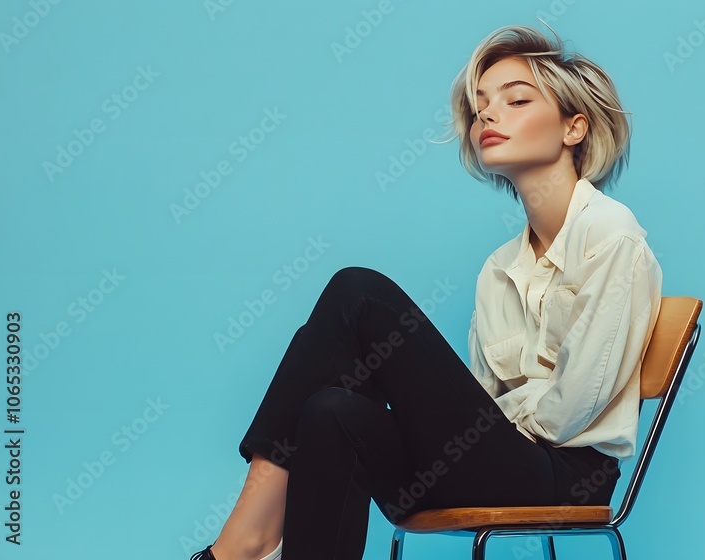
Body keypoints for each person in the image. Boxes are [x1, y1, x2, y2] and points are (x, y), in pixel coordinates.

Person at [189, 21, 662, 560]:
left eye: (516, 100)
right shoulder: (499, 268)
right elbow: (480, 402)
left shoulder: (611, 236)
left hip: (561, 477)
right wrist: (485, 421)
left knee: (358, 294)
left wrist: (498, 419)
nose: (488, 115)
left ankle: (242, 544)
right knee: (329, 409)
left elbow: (573, 408)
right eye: (480, 106)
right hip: (486, 465)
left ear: (573, 128)